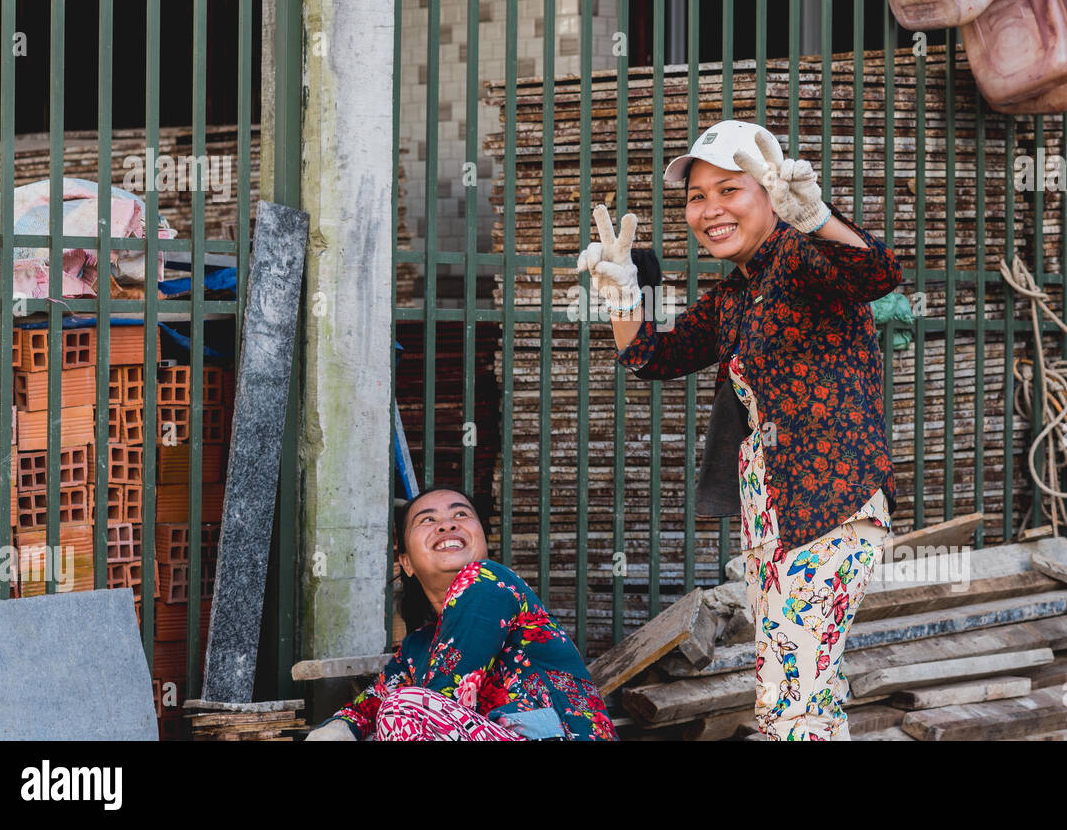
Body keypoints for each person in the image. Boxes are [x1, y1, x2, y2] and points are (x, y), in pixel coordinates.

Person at [577, 119, 903, 740]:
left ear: (770, 192)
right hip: (774, 510)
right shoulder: (735, 293)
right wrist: (622, 294)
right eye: (698, 196)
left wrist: (816, 217)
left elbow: (876, 275)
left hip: (830, 505)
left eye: (730, 190)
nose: (709, 210)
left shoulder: (804, 254)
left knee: (793, 695)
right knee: (802, 685)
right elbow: (652, 357)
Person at [305, 487, 617, 741]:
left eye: (461, 514)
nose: (447, 524)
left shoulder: (490, 580)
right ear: (407, 563)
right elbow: (368, 706)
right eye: (427, 520)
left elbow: (441, 698)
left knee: (403, 711)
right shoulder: (417, 647)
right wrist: (340, 726)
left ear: (482, 543)